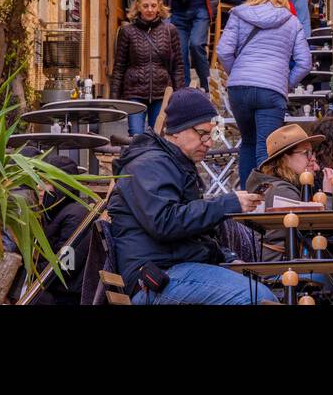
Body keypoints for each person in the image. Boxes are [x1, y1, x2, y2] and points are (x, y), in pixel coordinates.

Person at [107, 89, 272, 304]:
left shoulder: (172, 163)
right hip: (155, 279)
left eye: (212, 135)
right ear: (176, 131)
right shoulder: (150, 164)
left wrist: (225, 256)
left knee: (262, 287)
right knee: (258, 297)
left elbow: (189, 233)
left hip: (170, 269)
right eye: (203, 133)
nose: (210, 143)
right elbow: (165, 222)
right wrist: (226, 203)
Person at [217, 0, 312, 186]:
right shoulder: (291, 20)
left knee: (248, 143)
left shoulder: (239, 15)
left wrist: (237, 73)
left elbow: (223, 51)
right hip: (271, 90)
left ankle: (246, 202)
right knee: (267, 148)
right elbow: (305, 63)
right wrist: (285, 83)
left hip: (240, 88)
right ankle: (264, 204)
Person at [109, 0, 184, 136]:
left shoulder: (170, 31)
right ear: (138, 7)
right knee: (136, 134)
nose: (150, 10)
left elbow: (178, 66)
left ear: (159, 7)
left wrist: (179, 94)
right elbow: (119, 67)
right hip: (134, 91)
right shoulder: (127, 31)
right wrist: (114, 99)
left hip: (161, 92)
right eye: (145, 6)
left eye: (153, 5)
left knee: (157, 136)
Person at [35, 153, 91, 304]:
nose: (38, 187)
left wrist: (31, 268)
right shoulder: (54, 213)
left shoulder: (75, 215)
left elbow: (66, 266)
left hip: (65, 297)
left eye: (45, 182)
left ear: (62, 185)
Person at [244, 124, 323, 209]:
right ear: (285, 159)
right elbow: (312, 220)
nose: (313, 159)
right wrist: (329, 194)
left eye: (312, 152)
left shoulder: (274, 184)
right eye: (306, 153)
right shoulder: (282, 192)